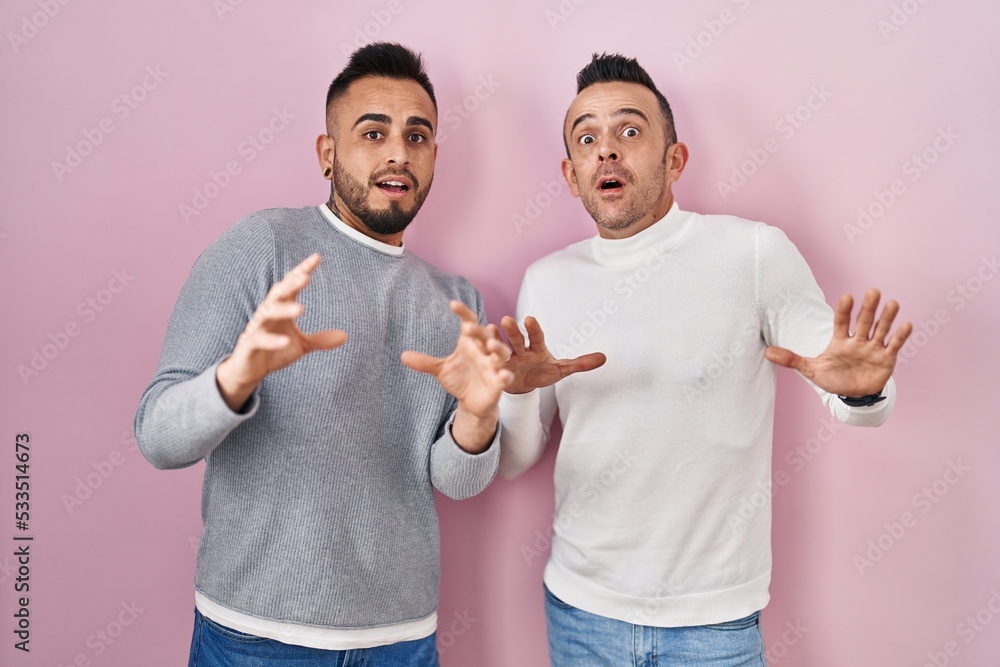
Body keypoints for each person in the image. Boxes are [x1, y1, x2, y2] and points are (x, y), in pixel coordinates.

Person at [494, 53, 913, 666]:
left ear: (674, 159)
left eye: (629, 131)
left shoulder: (752, 252)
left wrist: (860, 392)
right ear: (571, 172)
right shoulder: (546, 282)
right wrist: (516, 393)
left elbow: (858, 399)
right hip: (582, 614)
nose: (606, 150)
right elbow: (515, 461)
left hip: (713, 626)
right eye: (587, 138)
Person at [134, 42, 511, 667]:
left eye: (418, 136)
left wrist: (476, 420)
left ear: (435, 157)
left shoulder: (456, 299)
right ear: (327, 153)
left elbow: (456, 482)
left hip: (401, 641)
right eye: (373, 132)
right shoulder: (261, 248)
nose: (398, 152)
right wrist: (237, 378)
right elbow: (157, 436)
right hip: (254, 638)